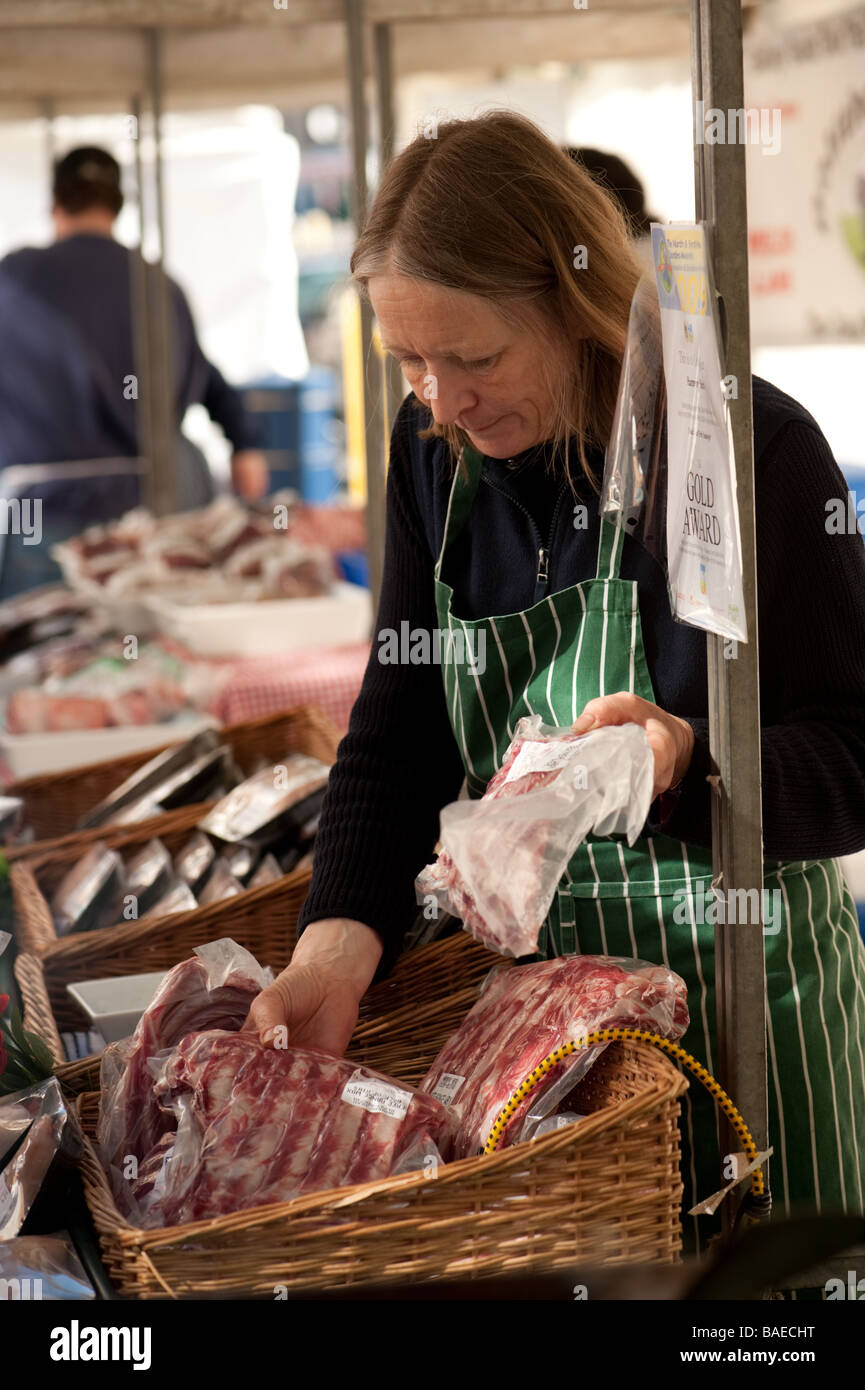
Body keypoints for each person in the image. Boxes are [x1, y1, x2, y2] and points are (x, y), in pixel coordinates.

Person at [247, 113, 865, 1246]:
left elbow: (854, 754)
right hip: (557, 1063)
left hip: (752, 1026)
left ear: (575, 312)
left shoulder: (747, 452)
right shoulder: (433, 456)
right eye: (410, 362)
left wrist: (685, 759)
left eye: (474, 358)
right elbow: (398, 732)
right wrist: (334, 943)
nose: (440, 399)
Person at [0, 146, 268, 507]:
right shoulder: (157, 285)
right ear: (118, 205)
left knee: (34, 551)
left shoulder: (13, 280)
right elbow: (204, 376)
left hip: (34, 505)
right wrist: (245, 443)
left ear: (55, 204)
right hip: (148, 502)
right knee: (147, 563)